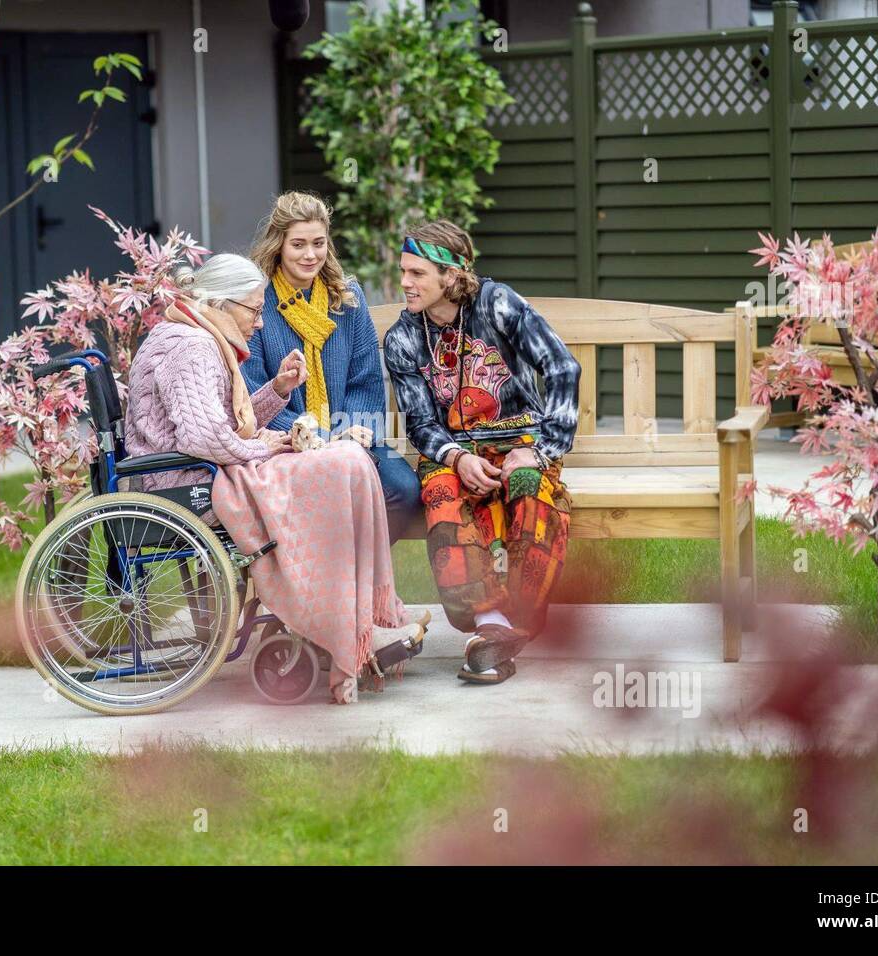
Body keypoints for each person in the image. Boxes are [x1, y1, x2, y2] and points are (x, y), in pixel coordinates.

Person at [123, 253, 427, 703]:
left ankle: (362, 623)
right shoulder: (192, 347)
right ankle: (343, 629)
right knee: (338, 467)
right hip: (184, 481)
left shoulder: (200, 335)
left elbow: (227, 424)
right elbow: (206, 438)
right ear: (221, 304)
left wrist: (278, 390)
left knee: (346, 461)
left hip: (205, 468)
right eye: (253, 310)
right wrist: (268, 447)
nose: (261, 323)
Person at [383, 221, 580, 686]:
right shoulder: (403, 338)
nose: (405, 283)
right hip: (453, 451)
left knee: (531, 492)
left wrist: (543, 450)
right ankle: (491, 625)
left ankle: (511, 626)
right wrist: (456, 458)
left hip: (521, 442)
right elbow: (420, 424)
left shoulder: (498, 304)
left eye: (417, 273)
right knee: (443, 502)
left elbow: (561, 367)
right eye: (403, 272)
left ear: (450, 276)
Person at [243, 191, 422, 542]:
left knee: (404, 491)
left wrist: (347, 438)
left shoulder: (347, 298)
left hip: (350, 436)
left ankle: (345, 571)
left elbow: (366, 381)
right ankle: (323, 579)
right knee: (319, 495)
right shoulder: (257, 302)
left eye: (318, 243)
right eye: (298, 244)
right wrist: (320, 443)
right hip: (286, 443)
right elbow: (253, 392)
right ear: (278, 244)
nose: (310, 255)